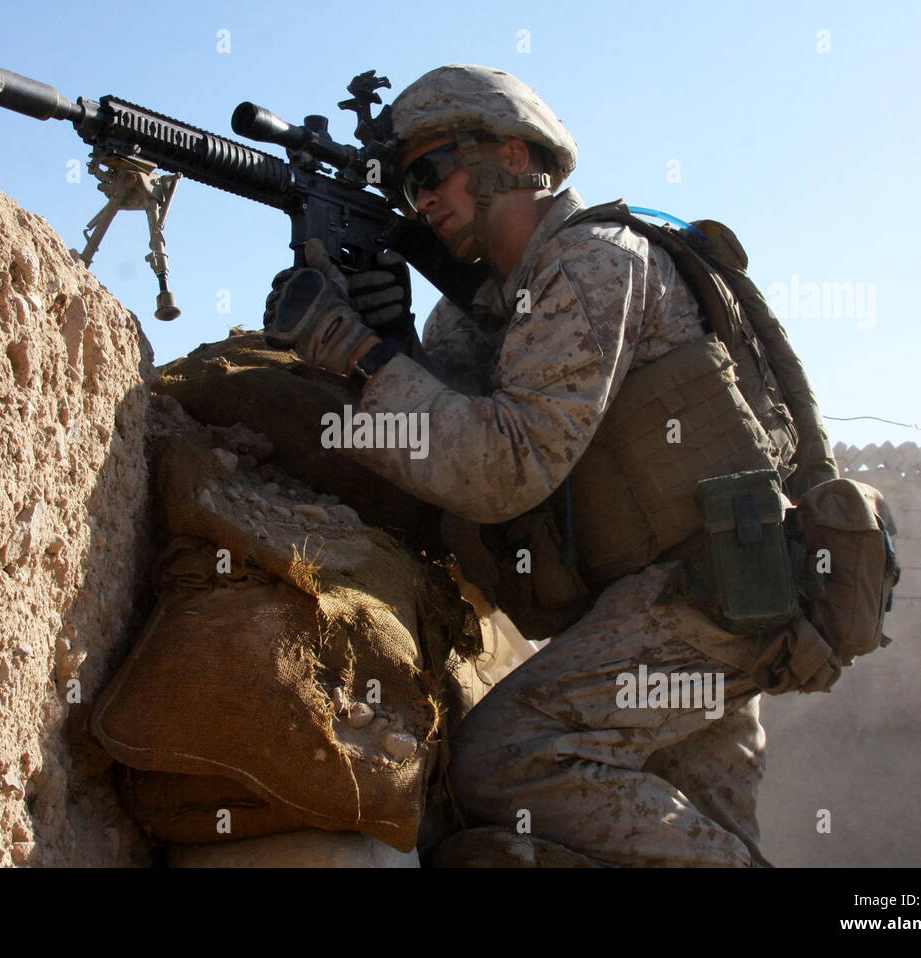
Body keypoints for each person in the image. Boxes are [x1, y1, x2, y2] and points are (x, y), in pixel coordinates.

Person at [261, 64, 830, 866]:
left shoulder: (593, 262)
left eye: (431, 171)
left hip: (703, 605)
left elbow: (502, 467)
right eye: (405, 183)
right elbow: (453, 434)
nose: (420, 198)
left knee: (504, 765)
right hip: (680, 602)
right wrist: (395, 345)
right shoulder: (479, 311)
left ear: (518, 155)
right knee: (697, 830)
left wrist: (358, 356)